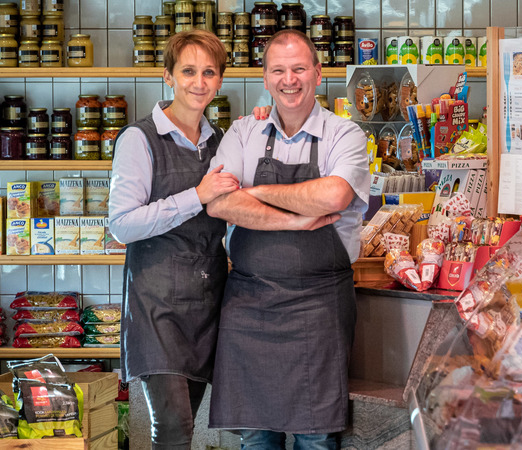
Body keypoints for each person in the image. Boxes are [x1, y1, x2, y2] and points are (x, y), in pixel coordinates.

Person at [206, 29, 369, 449]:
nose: (289, 79)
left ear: (317, 72)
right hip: (249, 303)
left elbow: (334, 194)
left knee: (316, 440)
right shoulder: (243, 131)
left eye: (299, 68)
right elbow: (219, 205)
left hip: (320, 306)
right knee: (256, 440)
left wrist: (255, 192)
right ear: (265, 78)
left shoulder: (344, 134)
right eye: (278, 70)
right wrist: (296, 219)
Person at [109, 29, 239, 449]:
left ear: (220, 80)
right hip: (156, 306)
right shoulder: (138, 139)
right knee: (173, 429)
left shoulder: (221, 142)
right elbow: (122, 224)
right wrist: (196, 196)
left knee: (183, 429)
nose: (198, 82)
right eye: (188, 71)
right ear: (168, 75)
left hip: (205, 306)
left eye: (209, 72)